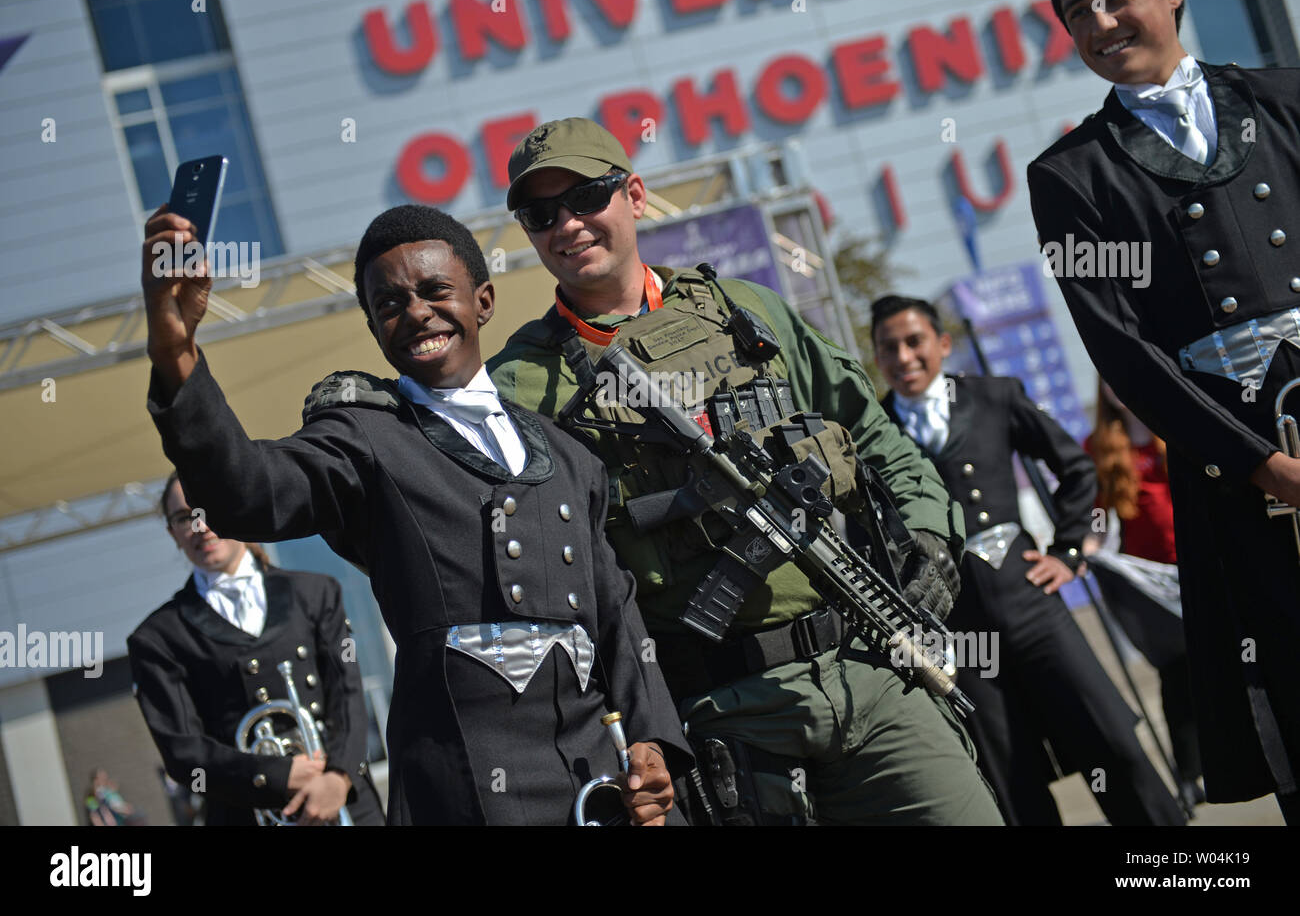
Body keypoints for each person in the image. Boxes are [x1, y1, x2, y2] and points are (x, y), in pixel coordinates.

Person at [482, 117, 1003, 825]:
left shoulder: (745, 311)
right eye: (541, 214)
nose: (567, 224)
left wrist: (932, 536)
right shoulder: (517, 386)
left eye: (587, 197)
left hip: (867, 669)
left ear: (634, 195)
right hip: (719, 718)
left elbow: (873, 430)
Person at [141, 201, 690, 825]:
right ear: (376, 330)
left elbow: (616, 616)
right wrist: (174, 346)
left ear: (482, 301)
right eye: (390, 305)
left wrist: (650, 744)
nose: (417, 313)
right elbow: (245, 492)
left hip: (599, 780)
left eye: (435, 291)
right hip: (464, 791)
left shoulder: (568, 455)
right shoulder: (363, 439)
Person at [1028, 0, 1300, 820]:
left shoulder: (1286, 96)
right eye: (1077, 12)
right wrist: (1265, 465)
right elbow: (1126, 352)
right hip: (1238, 475)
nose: (1098, 21)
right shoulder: (1069, 175)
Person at [870, 295, 1185, 825]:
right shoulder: (872, 433)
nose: (904, 357)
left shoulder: (993, 397)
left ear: (942, 344)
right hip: (960, 637)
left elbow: (1078, 470)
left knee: (1112, 746)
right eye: (888, 348)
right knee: (1011, 783)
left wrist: (1067, 550)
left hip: (1034, 608)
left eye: (914, 341)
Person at [128, 474, 386, 826]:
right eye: (185, 517)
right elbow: (182, 753)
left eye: (209, 509)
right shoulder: (156, 639)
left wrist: (338, 776)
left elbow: (349, 696)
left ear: (237, 510)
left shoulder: (316, 593)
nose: (201, 526)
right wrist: (276, 774)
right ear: (173, 533)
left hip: (344, 803)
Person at [1085, 380, 1204, 809]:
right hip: (1152, 581)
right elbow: (1098, 512)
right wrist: (1090, 547)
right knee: (1176, 673)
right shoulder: (1101, 447)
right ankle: (1190, 775)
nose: (1119, 384)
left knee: (1227, 658)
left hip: (1203, 564)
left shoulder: (1172, 422)